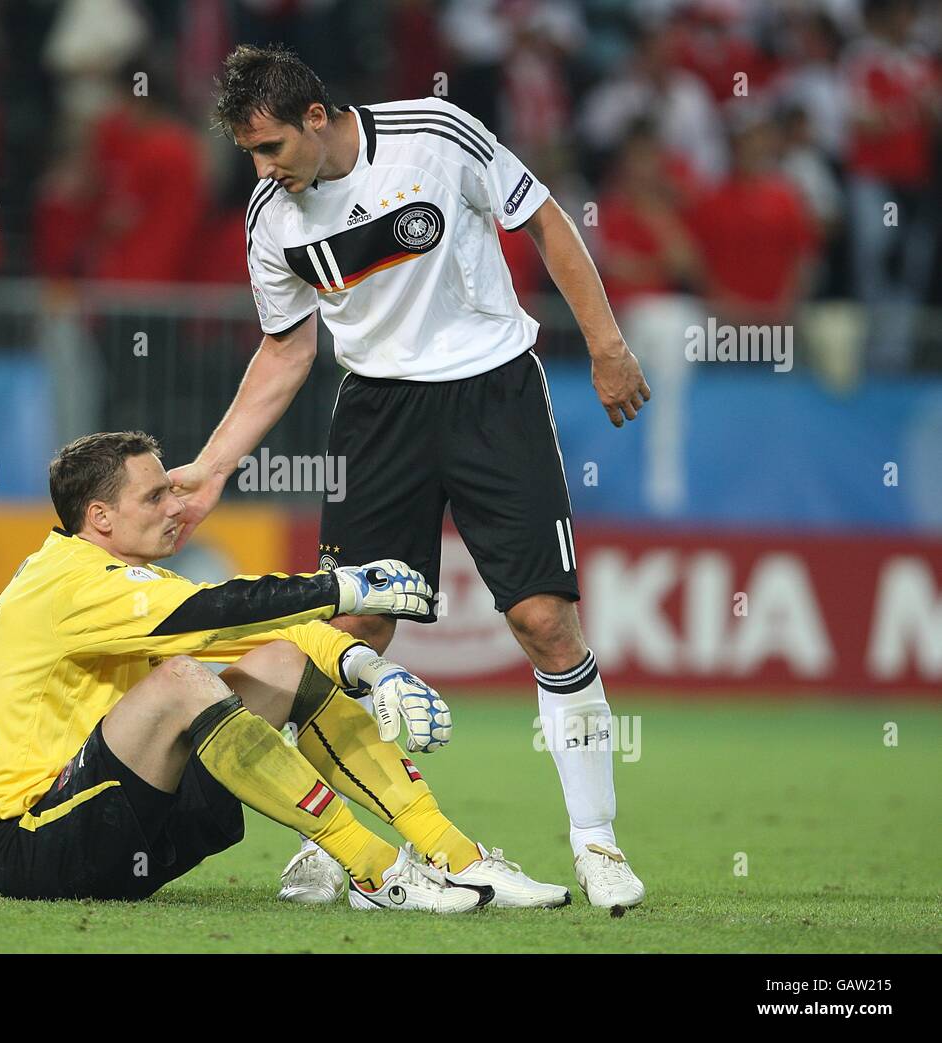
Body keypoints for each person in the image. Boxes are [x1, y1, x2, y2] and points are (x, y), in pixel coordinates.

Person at [168, 45, 650, 909]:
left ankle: (597, 842)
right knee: (351, 629)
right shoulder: (269, 215)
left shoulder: (434, 135)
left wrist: (607, 343)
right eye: (250, 153)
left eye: (271, 146)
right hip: (377, 413)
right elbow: (286, 350)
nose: (262, 168)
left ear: (316, 117)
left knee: (544, 621)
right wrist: (210, 469)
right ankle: (332, 842)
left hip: (492, 394)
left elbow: (544, 220)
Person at [0, 430, 572, 911]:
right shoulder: (65, 583)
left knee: (282, 662)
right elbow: (216, 610)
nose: (177, 507)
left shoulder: (116, 581)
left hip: (126, 830)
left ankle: (451, 853)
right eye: (155, 497)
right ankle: (375, 868)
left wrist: (367, 666)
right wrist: (343, 588)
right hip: (38, 846)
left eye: (172, 490)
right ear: (100, 517)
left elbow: (256, 633)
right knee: (182, 680)